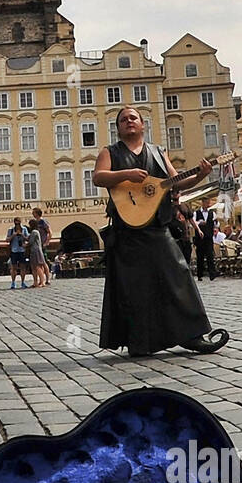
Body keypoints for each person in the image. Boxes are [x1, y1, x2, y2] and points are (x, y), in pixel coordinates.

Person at [94, 106, 228, 356]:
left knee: (178, 276)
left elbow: (177, 183)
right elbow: (99, 177)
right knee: (135, 288)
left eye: (133, 118)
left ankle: (192, 335)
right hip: (126, 231)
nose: (128, 121)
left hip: (157, 227)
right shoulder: (109, 152)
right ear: (118, 127)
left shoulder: (157, 152)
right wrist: (127, 174)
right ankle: (141, 343)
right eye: (123, 119)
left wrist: (200, 174)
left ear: (143, 125)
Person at [192, 197, 219, 280]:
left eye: (209, 202)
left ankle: (212, 274)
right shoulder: (196, 213)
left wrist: (216, 223)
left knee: (210, 256)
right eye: (207, 202)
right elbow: (192, 224)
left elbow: (216, 225)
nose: (208, 204)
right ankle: (200, 275)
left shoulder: (212, 213)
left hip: (209, 238)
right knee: (200, 256)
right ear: (202, 203)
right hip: (200, 238)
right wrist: (199, 222)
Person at [30, 208, 53, 285]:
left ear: (37, 213)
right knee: (39, 263)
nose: (32, 213)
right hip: (38, 244)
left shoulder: (43, 221)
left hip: (42, 244)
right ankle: (40, 280)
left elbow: (50, 232)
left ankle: (47, 279)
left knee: (43, 262)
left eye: (33, 212)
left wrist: (47, 242)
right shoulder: (36, 222)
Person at [7, 217, 30, 289]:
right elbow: (7, 240)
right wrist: (13, 235)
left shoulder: (24, 229)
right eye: (16, 223)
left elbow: (27, 238)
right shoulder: (10, 230)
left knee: (23, 267)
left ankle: (23, 282)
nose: (17, 225)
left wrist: (21, 235)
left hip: (22, 250)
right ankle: (13, 282)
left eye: (19, 223)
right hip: (14, 250)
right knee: (14, 267)